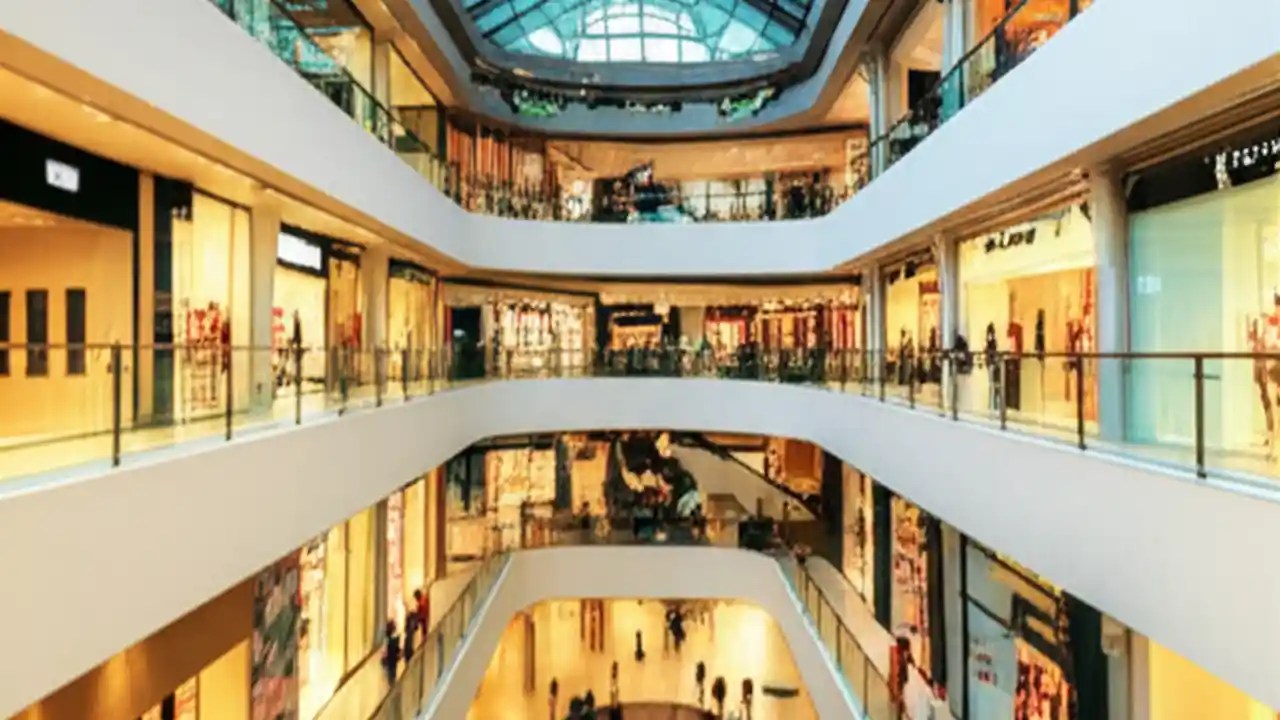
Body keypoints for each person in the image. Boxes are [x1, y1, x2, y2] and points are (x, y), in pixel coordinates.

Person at [382, 620, 401, 686]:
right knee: (393, 672)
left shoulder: (387, 639)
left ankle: (391, 683)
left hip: (389, 659)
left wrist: (384, 657)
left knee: (390, 673)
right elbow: (397, 648)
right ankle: (392, 683)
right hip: (393, 659)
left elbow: (384, 649)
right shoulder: (396, 638)